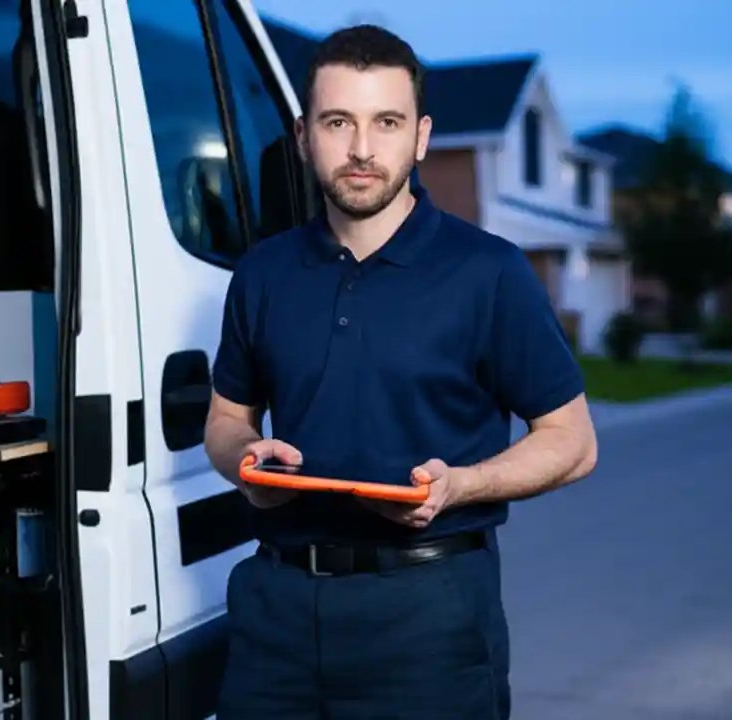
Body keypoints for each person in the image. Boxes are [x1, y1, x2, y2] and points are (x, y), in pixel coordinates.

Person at [203, 23, 599, 720]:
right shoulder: (263, 272)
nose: (361, 149)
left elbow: (572, 440)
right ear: (302, 137)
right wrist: (247, 464)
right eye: (337, 122)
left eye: (385, 122)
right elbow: (227, 421)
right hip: (276, 613)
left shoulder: (489, 272)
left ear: (419, 137)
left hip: (428, 615)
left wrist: (462, 485)